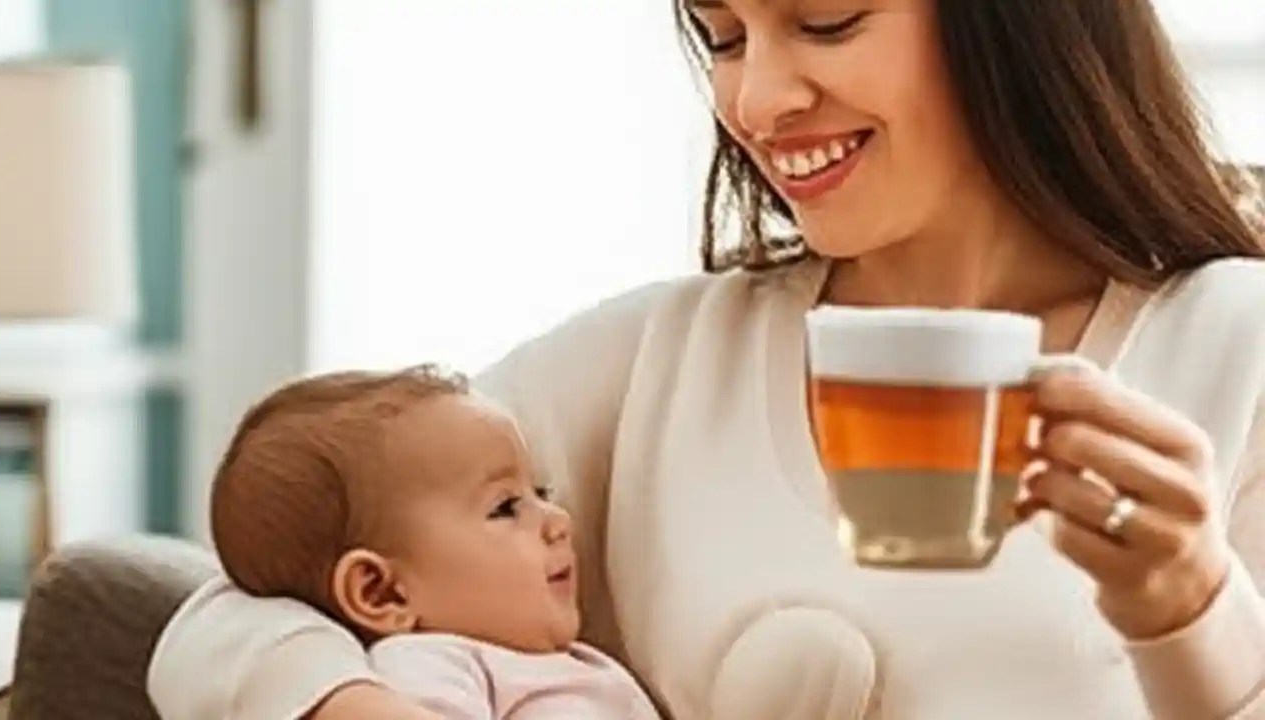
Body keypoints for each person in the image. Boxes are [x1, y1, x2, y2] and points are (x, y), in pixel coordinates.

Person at [149, 1, 1265, 718]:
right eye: (723, 37)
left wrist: (1186, 608)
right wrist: (350, 702)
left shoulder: (1232, 346)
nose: (754, 101)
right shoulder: (657, 362)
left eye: (824, 22)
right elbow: (239, 601)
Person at [208, 367, 660, 719]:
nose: (558, 521)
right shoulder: (428, 669)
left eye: (539, 494)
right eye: (506, 507)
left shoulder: (548, 663)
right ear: (382, 592)